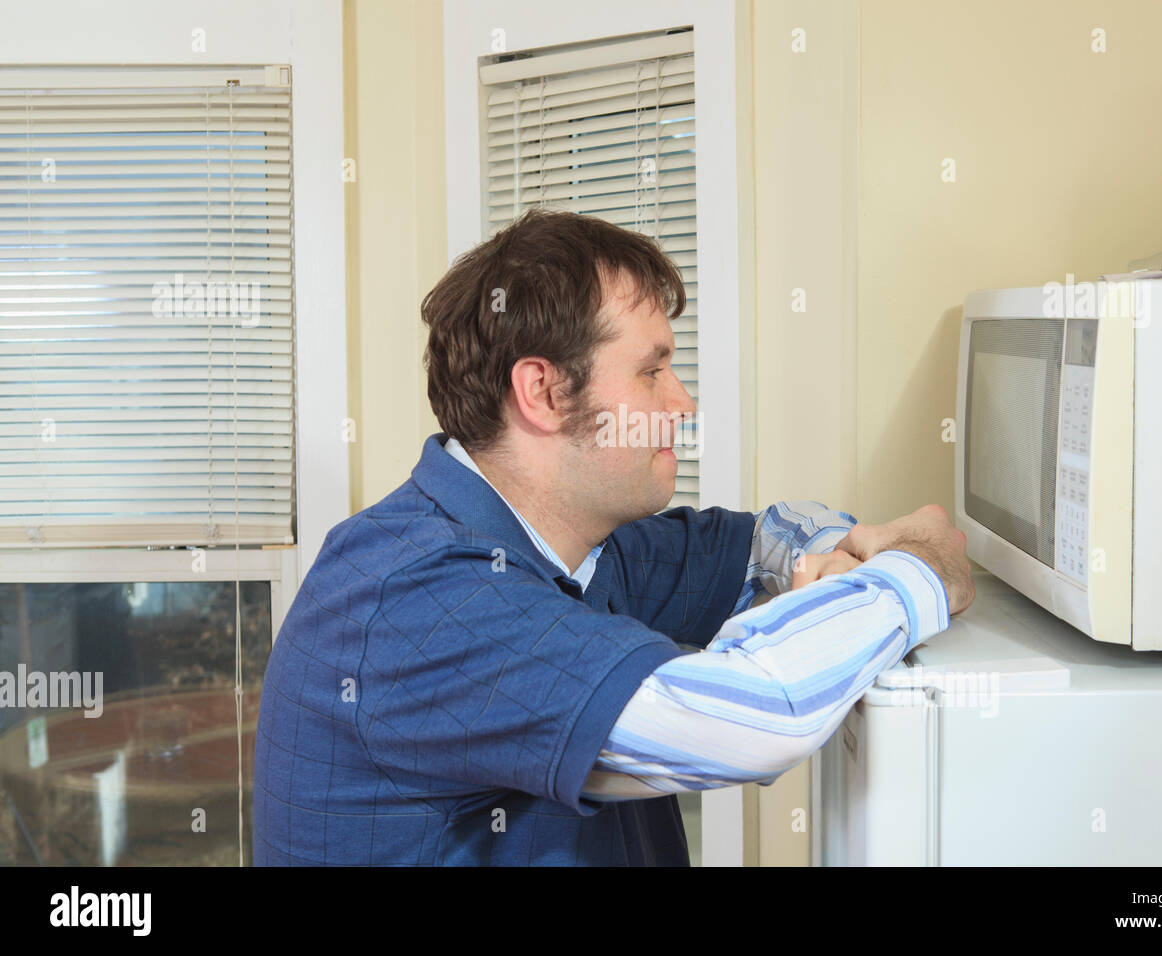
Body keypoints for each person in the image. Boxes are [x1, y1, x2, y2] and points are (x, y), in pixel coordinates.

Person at [253, 208, 974, 866]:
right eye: (652, 369)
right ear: (543, 392)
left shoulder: (580, 543)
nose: (683, 402)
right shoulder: (412, 597)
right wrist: (918, 569)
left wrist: (841, 556)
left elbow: (767, 536)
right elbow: (760, 717)